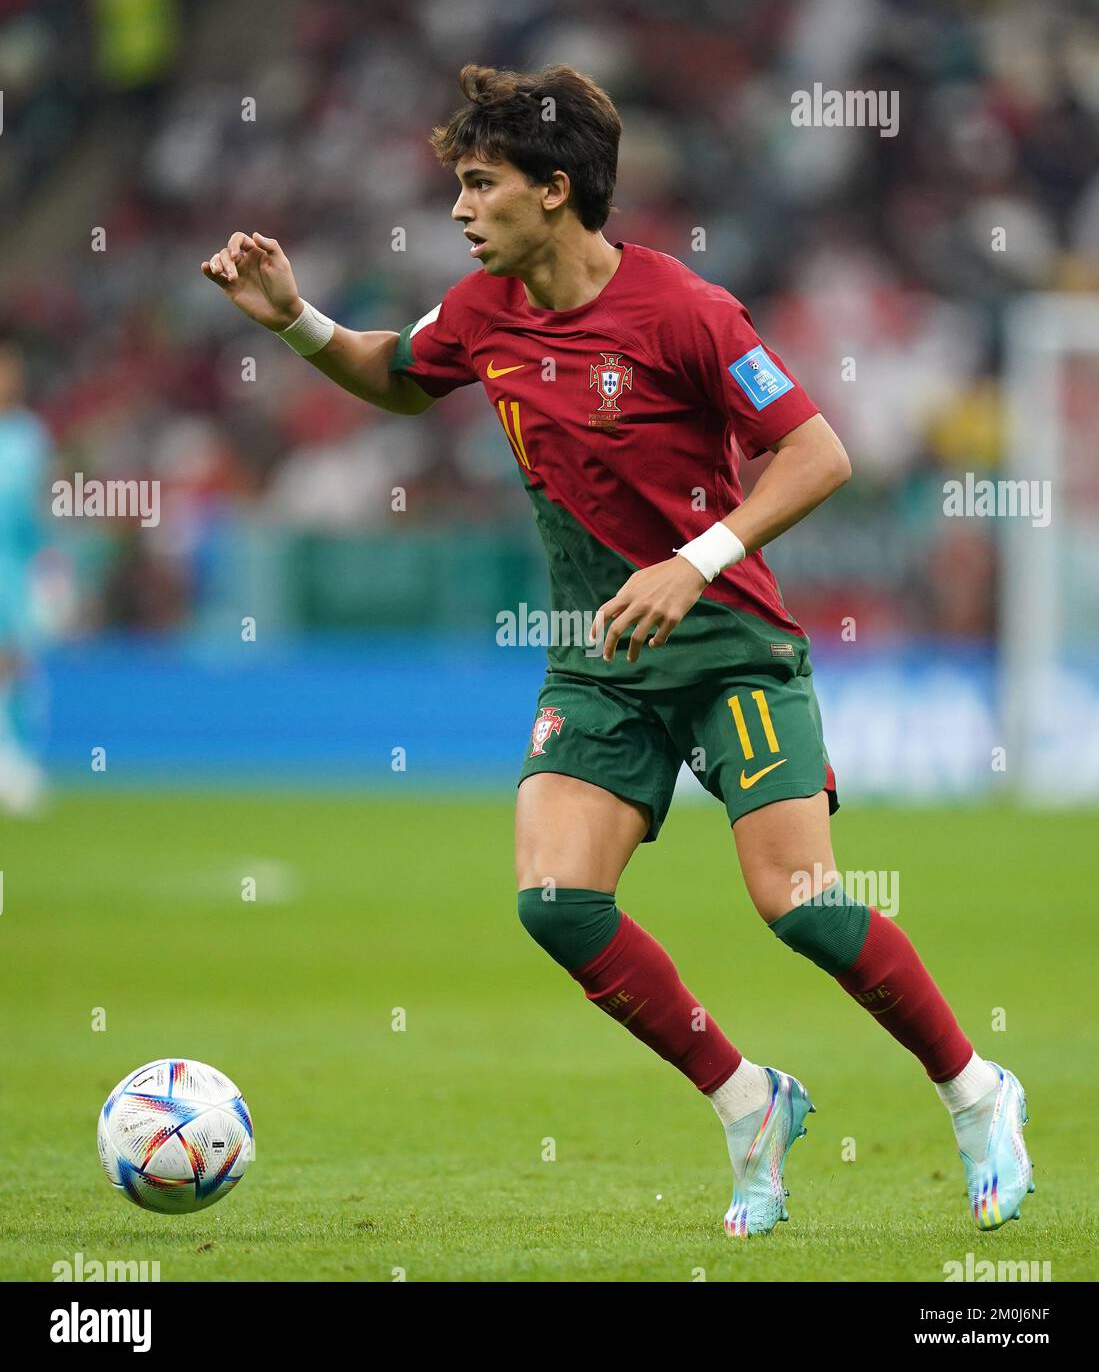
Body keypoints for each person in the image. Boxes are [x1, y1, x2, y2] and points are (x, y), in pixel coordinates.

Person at [201, 63, 1033, 1237]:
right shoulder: (482, 310)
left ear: (553, 190)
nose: (458, 209)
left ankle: (975, 1090)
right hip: (599, 664)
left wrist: (690, 559)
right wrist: (295, 317)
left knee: (798, 907)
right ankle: (749, 1101)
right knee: (555, 902)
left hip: (727, 646)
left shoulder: (686, 311)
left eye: (479, 184)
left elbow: (818, 455)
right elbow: (395, 376)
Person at [0, 334, 49, 816]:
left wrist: (47, 566)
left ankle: (16, 756)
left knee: (16, 660)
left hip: (11, 565)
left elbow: (36, 509)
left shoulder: (29, 437)